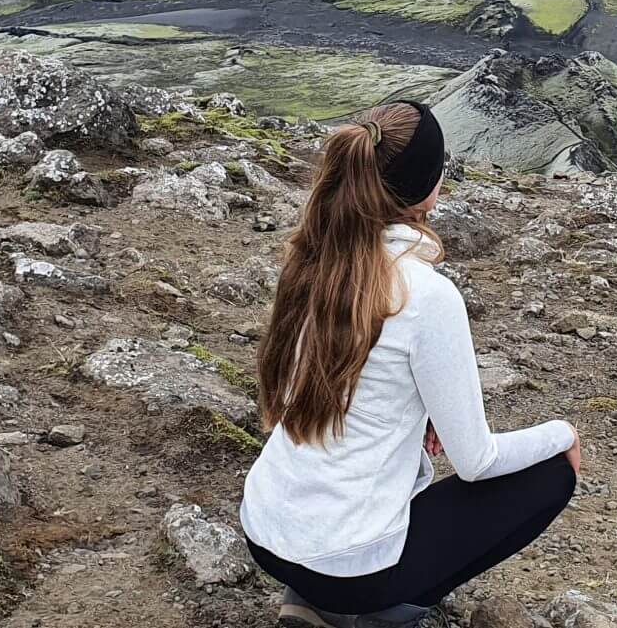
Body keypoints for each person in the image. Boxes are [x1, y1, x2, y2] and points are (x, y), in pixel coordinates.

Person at [240, 100, 582, 628]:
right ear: (430, 186)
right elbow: (477, 462)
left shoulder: (311, 260)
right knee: (554, 470)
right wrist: (563, 432)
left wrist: (415, 418)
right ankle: (371, 614)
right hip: (349, 570)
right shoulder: (425, 294)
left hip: (265, 533)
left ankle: (306, 600)